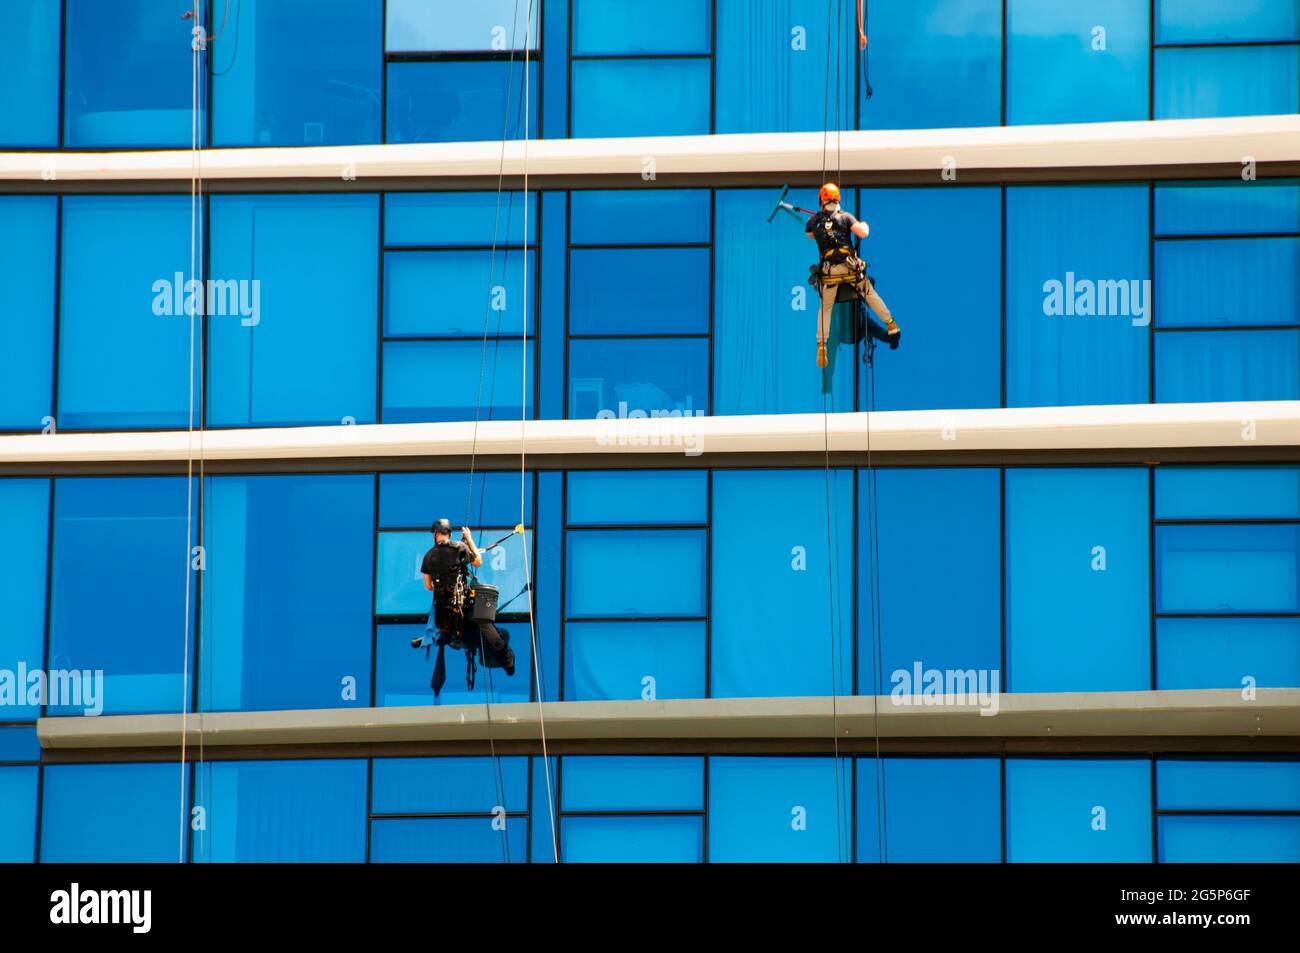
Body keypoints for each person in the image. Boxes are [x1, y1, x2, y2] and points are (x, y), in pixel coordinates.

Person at [414, 518, 515, 696]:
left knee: (440, 618)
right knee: (483, 620)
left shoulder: (428, 556)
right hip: (462, 608)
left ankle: (433, 637)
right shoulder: (458, 548)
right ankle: (505, 656)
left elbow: (428, 587)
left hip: (444, 615)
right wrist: (468, 538)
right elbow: (478, 562)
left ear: (436, 534)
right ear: (449, 533)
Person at [806, 182, 900, 367]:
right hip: (850, 269)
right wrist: (861, 223)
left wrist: (822, 223)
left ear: (822, 201)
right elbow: (863, 233)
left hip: (829, 272)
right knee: (870, 294)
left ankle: (821, 343)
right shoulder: (845, 217)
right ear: (837, 200)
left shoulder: (814, 221)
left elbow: (810, 235)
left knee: (825, 308)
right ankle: (890, 324)